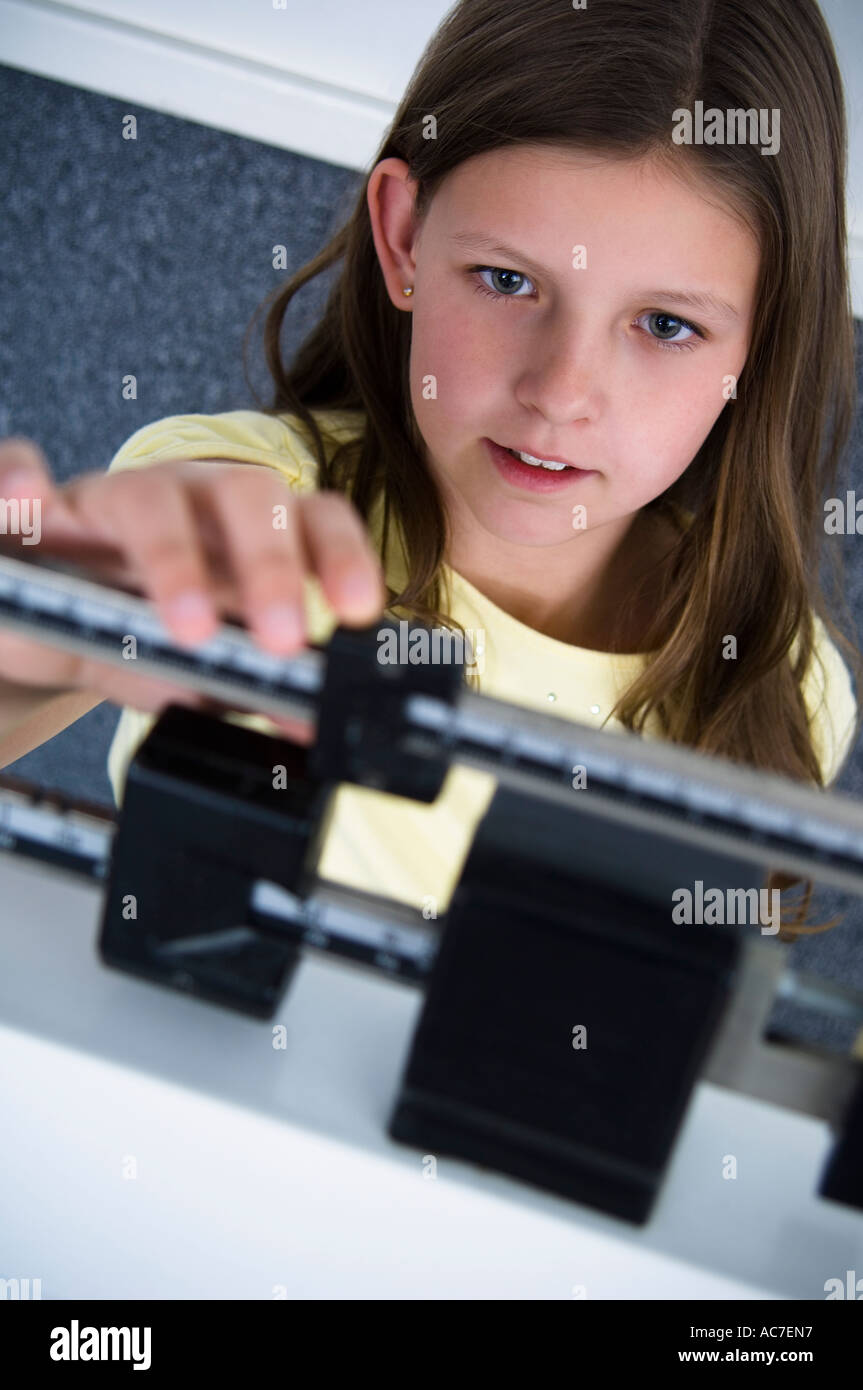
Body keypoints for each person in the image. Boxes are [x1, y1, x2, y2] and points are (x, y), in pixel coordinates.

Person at [0, 0, 859, 935]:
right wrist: (56, 630)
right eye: (506, 280)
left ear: (760, 344)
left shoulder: (785, 678)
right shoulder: (251, 505)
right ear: (404, 235)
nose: (560, 393)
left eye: (665, 326)